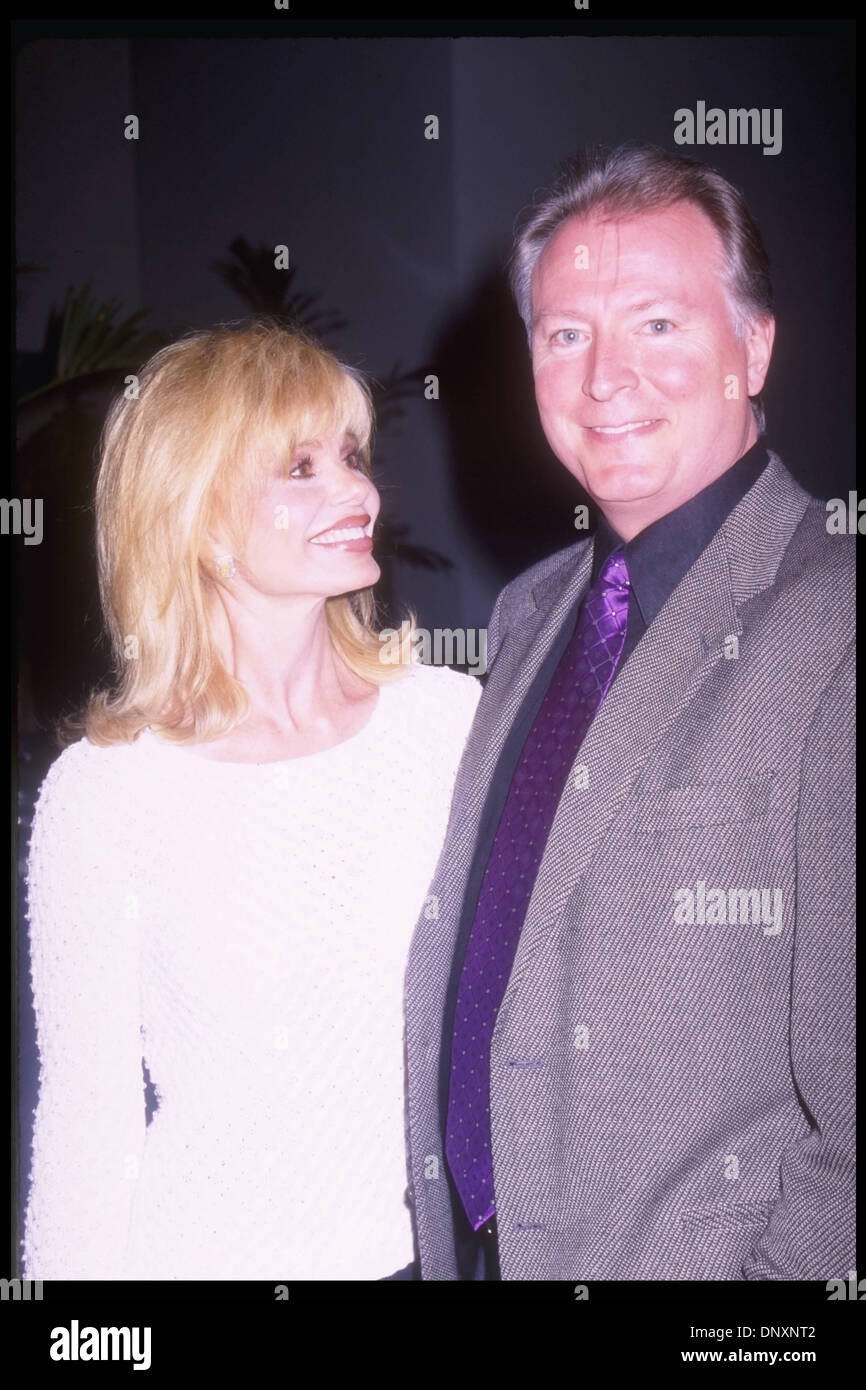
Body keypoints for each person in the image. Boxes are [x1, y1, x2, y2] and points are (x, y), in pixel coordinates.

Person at [403, 144, 855, 1280]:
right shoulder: (525, 616)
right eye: (564, 335)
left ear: (750, 347)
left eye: (655, 324)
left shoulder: (835, 625)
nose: (604, 377)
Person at [21, 319, 480, 1280]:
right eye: (299, 468)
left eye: (351, 456)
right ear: (198, 517)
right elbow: (86, 1138)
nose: (356, 489)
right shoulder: (105, 798)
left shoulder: (444, 726)